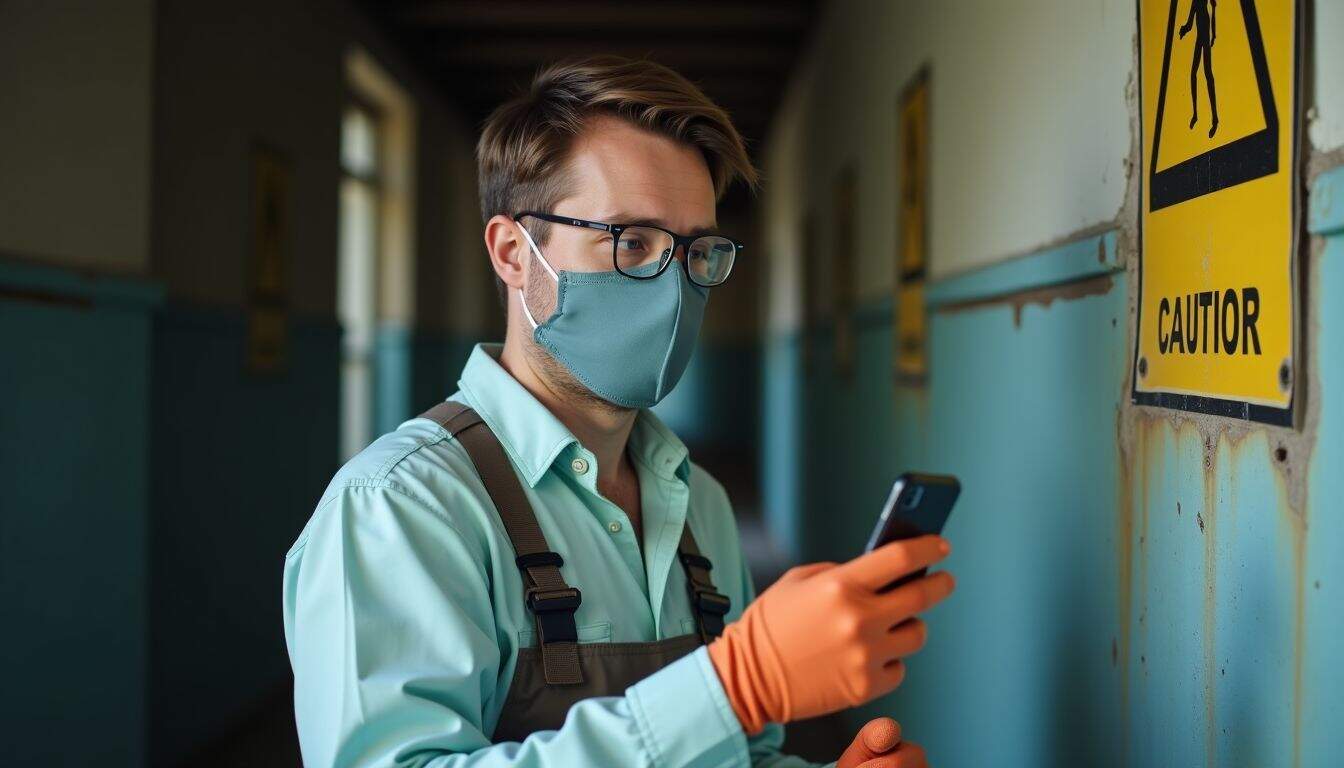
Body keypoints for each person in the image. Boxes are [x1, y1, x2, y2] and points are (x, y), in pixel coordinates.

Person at [283, 55, 956, 767]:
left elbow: (736, 754)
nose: (672, 290)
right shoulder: (401, 509)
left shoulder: (703, 505)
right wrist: (734, 687)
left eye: (698, 251)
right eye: (631, 241)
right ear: (514, 252)